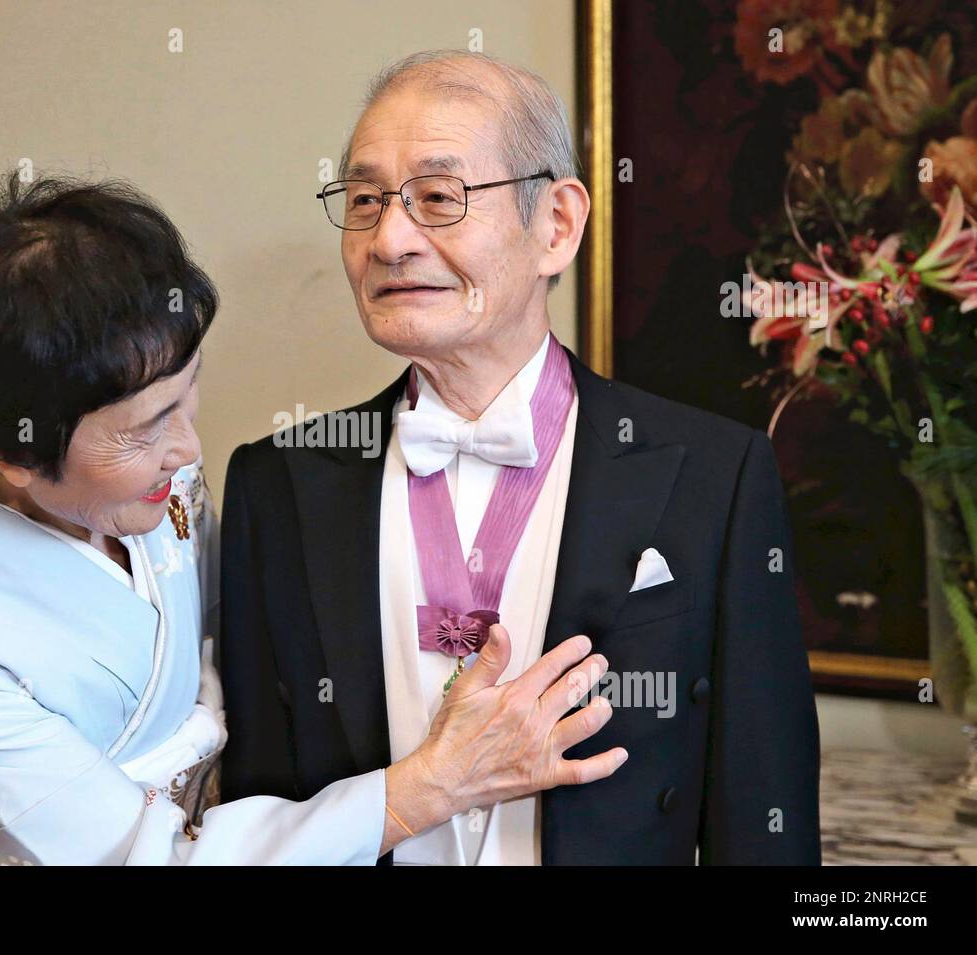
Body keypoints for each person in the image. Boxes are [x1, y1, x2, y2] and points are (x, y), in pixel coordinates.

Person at [0, 171, 626, 866]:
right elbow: (140, 856)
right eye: (145, 428)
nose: (188, 450)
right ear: (15, 454)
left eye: (186, 400)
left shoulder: (137, 477)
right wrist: (426, 789)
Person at [220, 50, 821, 865]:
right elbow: (262, 813)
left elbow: (765, 816)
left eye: (439, 198)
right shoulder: (277, 483)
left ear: (557, 225)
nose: (390, 239)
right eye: (364, 201)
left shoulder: (716, 475)